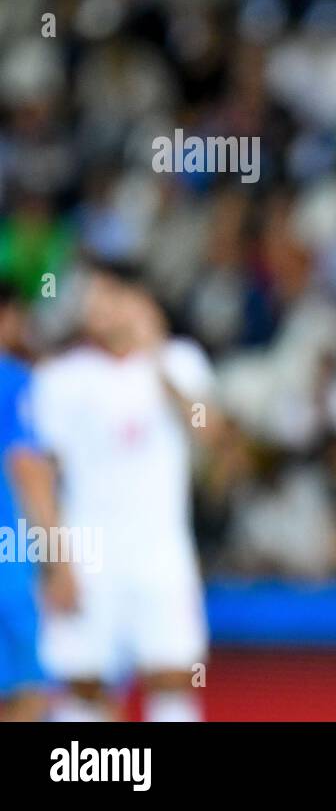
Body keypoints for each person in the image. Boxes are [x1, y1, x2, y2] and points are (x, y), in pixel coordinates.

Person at [31, 263, 216, 721]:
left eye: (109, 294)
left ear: (138, 299)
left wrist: (154, 355)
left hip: (161, 553)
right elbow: (40, 476)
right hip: (88, 553)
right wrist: (54, 560)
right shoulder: (61, 377)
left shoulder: (179, 362)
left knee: (173, 676)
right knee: (83, 683)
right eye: (91, 296)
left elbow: (209, 433)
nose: (98, 306)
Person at [0, 281, 62, 721]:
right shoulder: (13, 381)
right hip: (8, 561)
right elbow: (27, 469)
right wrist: (56, 558)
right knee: (27, 693)